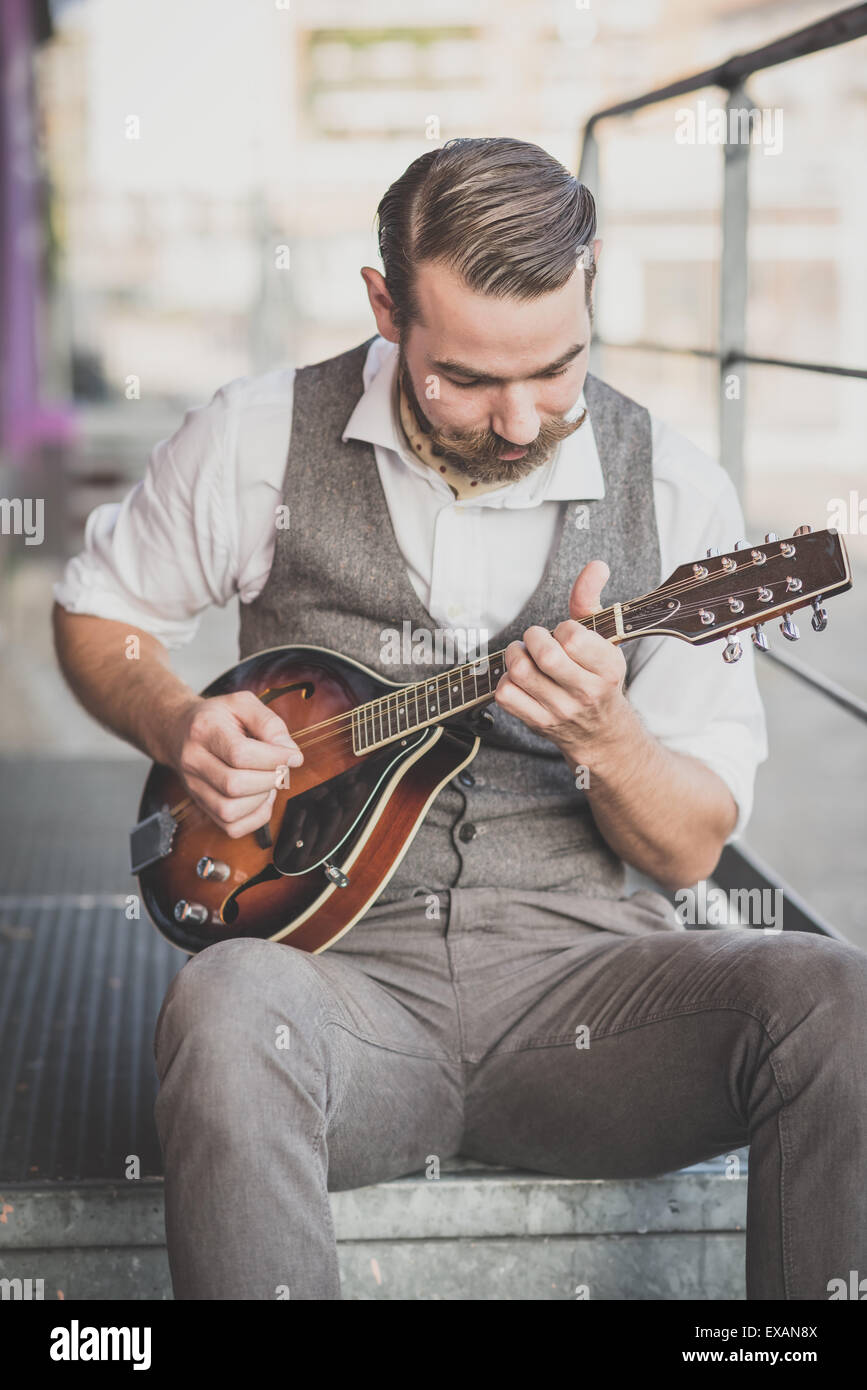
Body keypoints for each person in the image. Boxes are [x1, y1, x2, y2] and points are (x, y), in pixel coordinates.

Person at [53, 136, 867, 1301]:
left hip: (587, 1005)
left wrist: (609, 740)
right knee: (223, 1001)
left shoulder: (676, 486)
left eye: (558, 371)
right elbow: (100, 613)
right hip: (338, 998)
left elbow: (690, 846)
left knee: (844, 1001)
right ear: (387, 307)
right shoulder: (253, 438)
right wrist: (181, 722)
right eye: (472, 380)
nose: (524, 419)